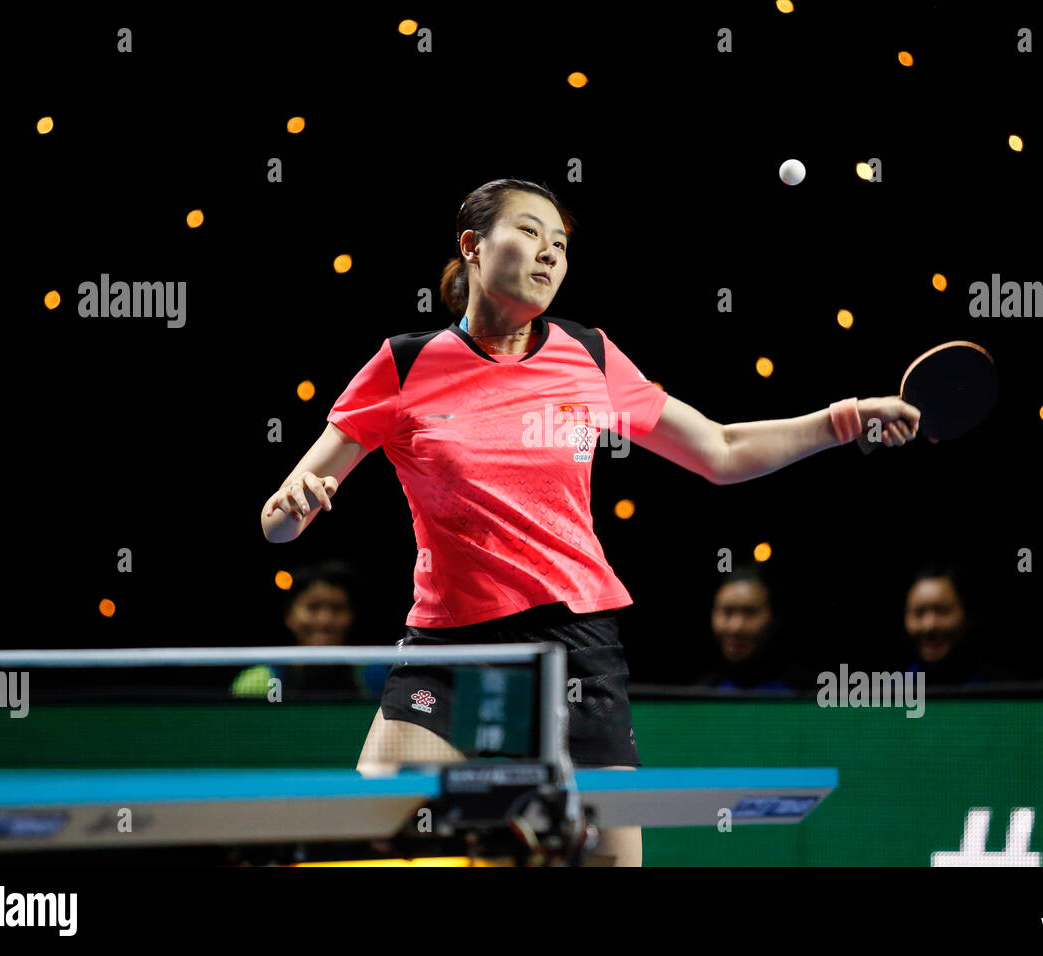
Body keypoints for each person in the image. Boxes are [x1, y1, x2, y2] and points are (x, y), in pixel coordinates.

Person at [260, 178, 922, 865]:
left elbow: (722, 452)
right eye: (529, 233)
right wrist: (293, 509)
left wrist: (844, 421)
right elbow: (280, 522)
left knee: (608, 860)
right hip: (449, 644)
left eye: (561, 246)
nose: (549, 254)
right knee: (381, 817)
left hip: (571, 639)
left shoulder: (590, 354)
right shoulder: (404, 363)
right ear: (473, 246)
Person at [231, 561, 389, 698]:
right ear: (289, 615)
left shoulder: (373, 678)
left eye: (338, 608)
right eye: (313, 607)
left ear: (352, 616)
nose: (325, 620)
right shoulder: (260, 681)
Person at [696, 564, 817, 691]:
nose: (736, 628)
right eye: (727, 612)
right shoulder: (698, 694)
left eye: (750, 612)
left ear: (775, 618)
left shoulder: (810, 694)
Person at [902, 564, 985, 686]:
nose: (929, 626)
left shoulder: (1005, 696)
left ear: (969, 617)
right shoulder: (888, 697)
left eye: (943, 611)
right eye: (919, 613)